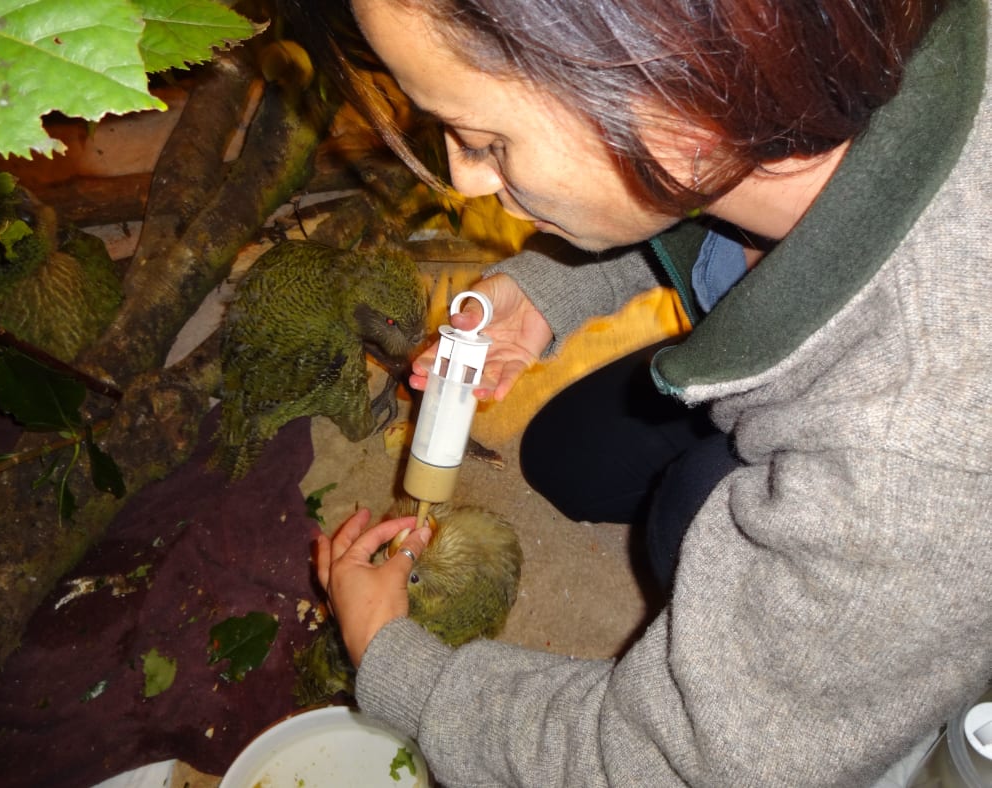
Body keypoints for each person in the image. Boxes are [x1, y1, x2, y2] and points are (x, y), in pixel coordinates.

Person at [313, 0, 991, 784]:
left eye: (485, 140)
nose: (465, 178)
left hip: (916, 497)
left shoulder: (915, 453)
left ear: (680, 95)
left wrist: (399, 667)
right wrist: (546, 291)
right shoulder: (793, 83)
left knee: (685, 522)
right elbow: (699, 190)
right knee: (569, 458)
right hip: (849, 379)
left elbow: (679, 764)